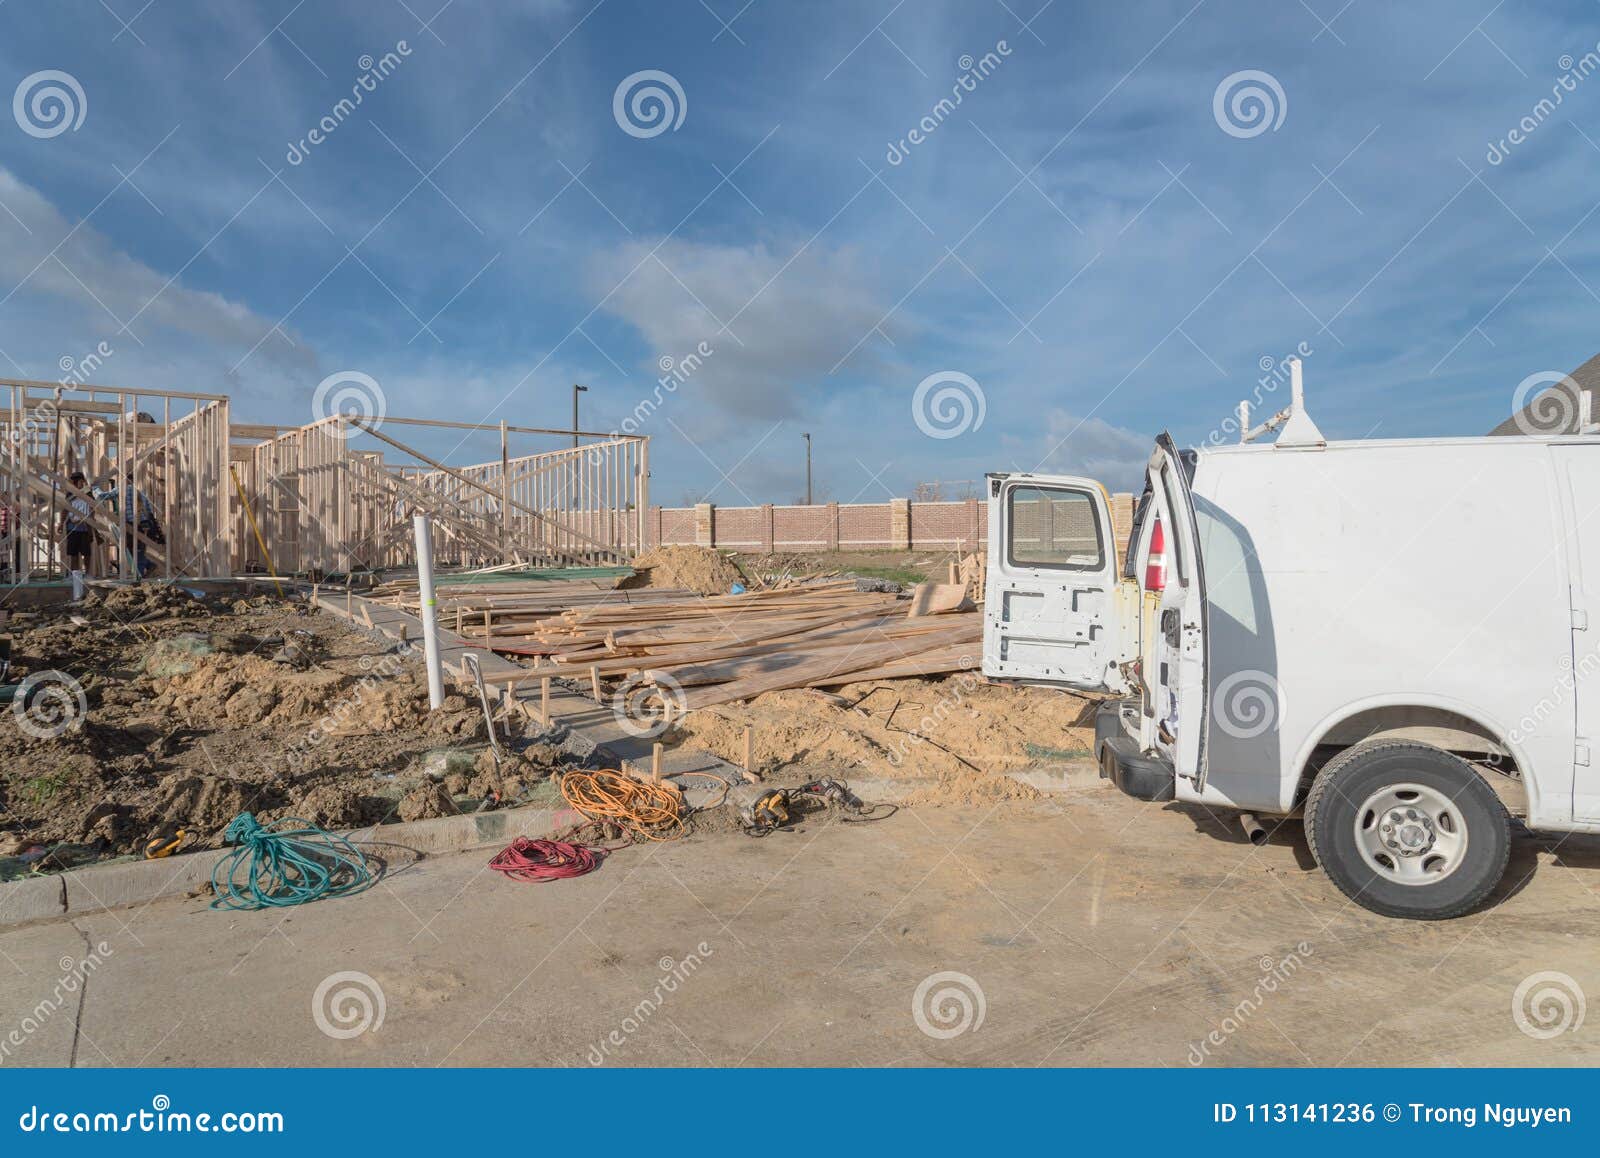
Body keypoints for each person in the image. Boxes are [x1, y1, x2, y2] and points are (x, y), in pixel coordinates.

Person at [59, 472, 96, 578]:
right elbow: (65, 509)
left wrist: (91, 520)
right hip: (72, 526)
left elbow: (92, 507)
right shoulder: (70, 494)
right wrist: (61, 523)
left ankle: (88, 573)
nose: (76, 483)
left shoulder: (88, 493)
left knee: (86, 552)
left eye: (78, 481)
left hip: (85, 527)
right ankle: (74, 574)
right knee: (73, 552)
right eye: (74, 481)